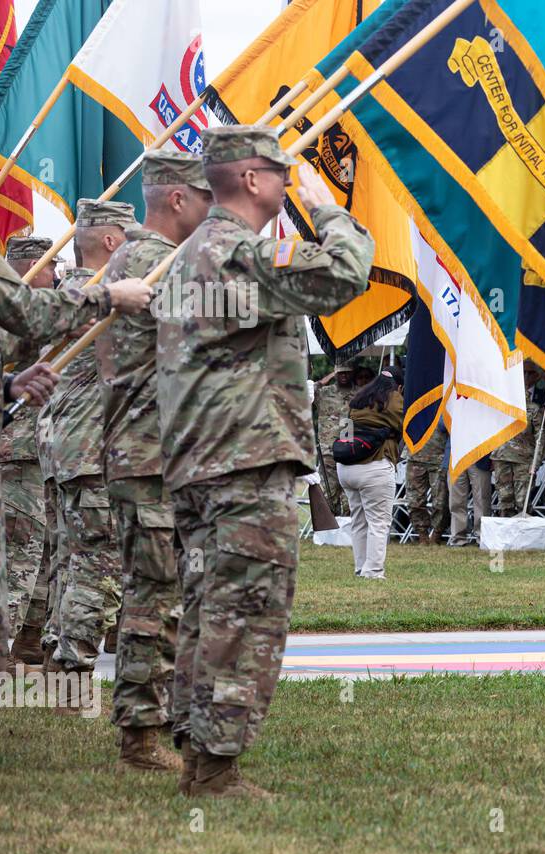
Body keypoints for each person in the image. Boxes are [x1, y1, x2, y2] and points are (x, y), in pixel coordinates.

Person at [156, 125, 374, 798]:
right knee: (246, 613)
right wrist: (328, 207)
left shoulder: (192, 254)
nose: (288, 183)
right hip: (243, 465)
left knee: (208, 609)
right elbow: (345, 272)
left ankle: (201, 757)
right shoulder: (238, 253)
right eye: (281, 173)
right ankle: (217, 769)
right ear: (251, 179)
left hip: (200, 463)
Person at [97, 152, 213, 770]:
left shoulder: (130, 260)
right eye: (203, 199)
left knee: (154, 586)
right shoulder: (155, 263)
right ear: (176, 199)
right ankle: (139, 735)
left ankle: (152, 718)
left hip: (141, 449)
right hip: (150, 453)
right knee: (156, 593)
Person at [0, 227, 152, 676]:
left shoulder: (64, 301)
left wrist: (9, 385)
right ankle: (63, 672)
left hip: (54, 453)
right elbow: (26, 318)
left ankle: (38, 649)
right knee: (77, 561)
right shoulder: (74, 303)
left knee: (56, 558)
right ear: (110, 242)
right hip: (77, 455)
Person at [41, 199, 138, 711]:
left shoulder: (68, 293)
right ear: (111, 242)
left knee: (68, 564)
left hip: (67, 453)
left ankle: (56, 666)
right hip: (91, 454)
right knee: (96, 568)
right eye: (131, 237)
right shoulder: (95, 298)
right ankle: (71, 677)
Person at [0, 237, 59, 673]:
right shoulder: (19, 317)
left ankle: (26, 643)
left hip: (35, 453)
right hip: (15, 453)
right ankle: (2, 650)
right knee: (19, 554)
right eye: (50, 266)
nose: (55, 275)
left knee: (37, 552)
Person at [338, 366, 404, 579]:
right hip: (374, 466)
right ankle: (373, 571)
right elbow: (405, 425)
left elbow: (345, 431)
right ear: (399, 386)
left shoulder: (357, 399)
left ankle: (360, 568)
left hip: (346, 467)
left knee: (359, 521)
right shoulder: (394, 398)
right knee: (378, 522)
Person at [491, 364, 545, 517]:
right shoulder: (499, 406)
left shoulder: (533, 409)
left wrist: (535, 463)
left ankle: (522, 535)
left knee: (522, 501)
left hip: (524, 460)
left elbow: (540, 438)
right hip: (501, 457)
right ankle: (506, 535)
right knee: (505, 499)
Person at [313, 363, 356, 517]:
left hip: (350, 450)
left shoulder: (359, 394)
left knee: (349, 493)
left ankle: (348, 527)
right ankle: (330, 528)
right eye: (340, 373)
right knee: (328, 491)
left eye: (347, 372)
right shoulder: (324, 392)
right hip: (328, 450)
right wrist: (327, 377)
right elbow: (305, 392)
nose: (344, 376)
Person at [405, 419, 448, 544]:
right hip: (414, 457)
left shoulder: (445, 403)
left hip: (438, 458)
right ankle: (422, 534)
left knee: (441, 501)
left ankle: (437, 534)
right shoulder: (415, 401)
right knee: (414, 500)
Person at [448, 454, 491, 546]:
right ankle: (457, 539)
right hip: (456, 457)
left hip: (479, 455)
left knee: (482, 500)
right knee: (456, 501)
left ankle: (482, 537)